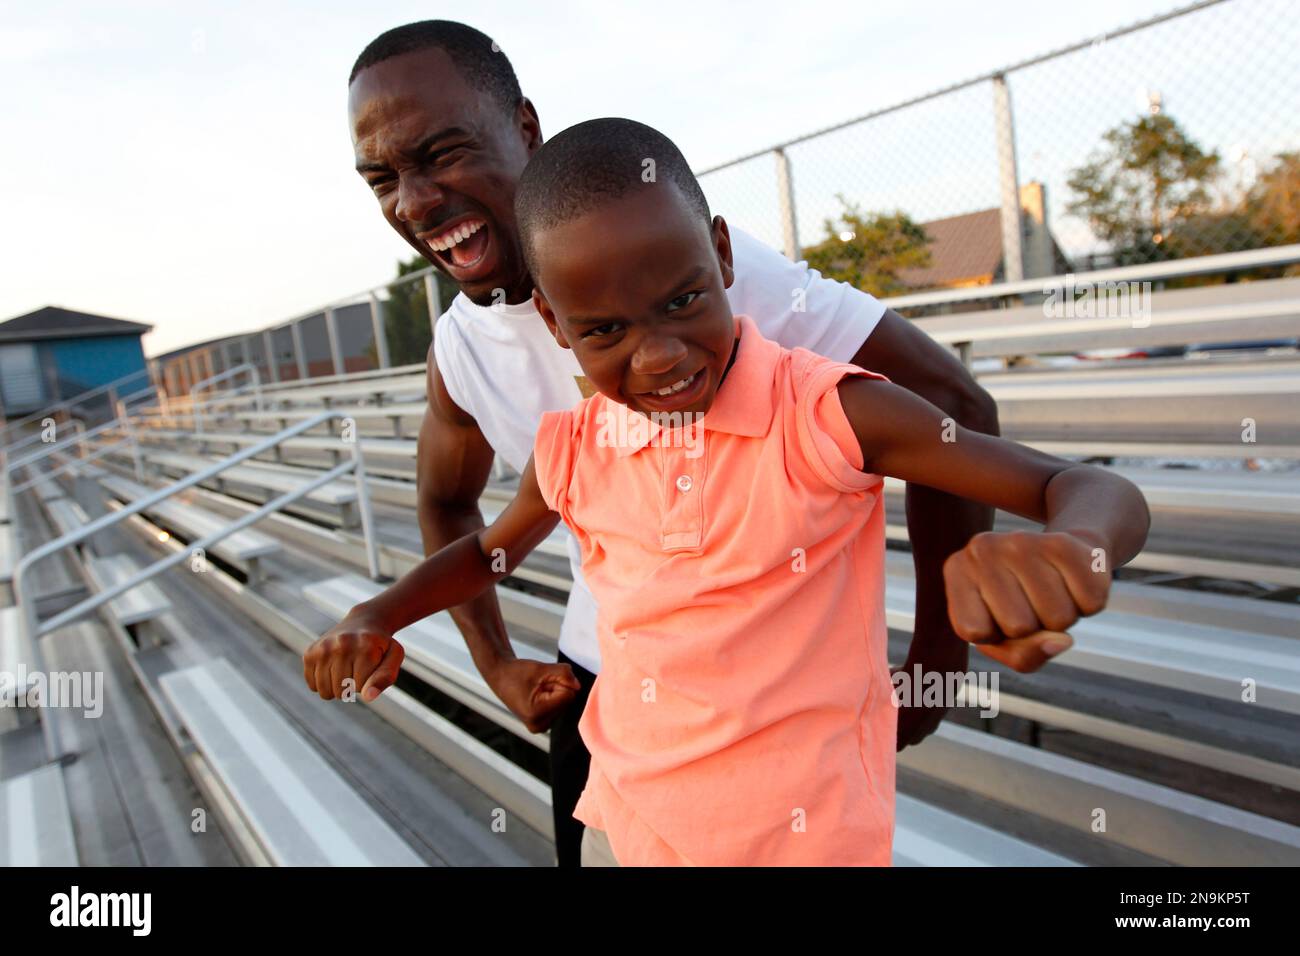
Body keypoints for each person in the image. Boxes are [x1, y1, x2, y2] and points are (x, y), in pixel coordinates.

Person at [306, 117, 1150, 866]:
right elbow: (487, 553)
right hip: (626, 824)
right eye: (605, 331)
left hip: (809, 838)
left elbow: (1080, 485)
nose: (660, 356)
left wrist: (1074, 547)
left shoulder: (828, 411)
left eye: (682, 300)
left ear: (720, 252)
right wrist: (377, 614)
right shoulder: (572, 445)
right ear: (559, 327)